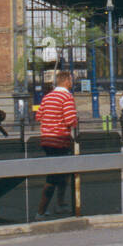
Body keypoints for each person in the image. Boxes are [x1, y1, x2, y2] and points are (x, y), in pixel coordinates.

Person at [37, 71, 79, 219]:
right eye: (71, 80)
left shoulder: (47, 97)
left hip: (46, 140)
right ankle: (41, 211)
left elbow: (39, 116)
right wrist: (74, 121)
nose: (72, 83)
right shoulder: (67, 97)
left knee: (63, 173)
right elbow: (70, 120)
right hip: (60, 140)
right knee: (53, 177)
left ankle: (60, 204)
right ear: (67, 81)